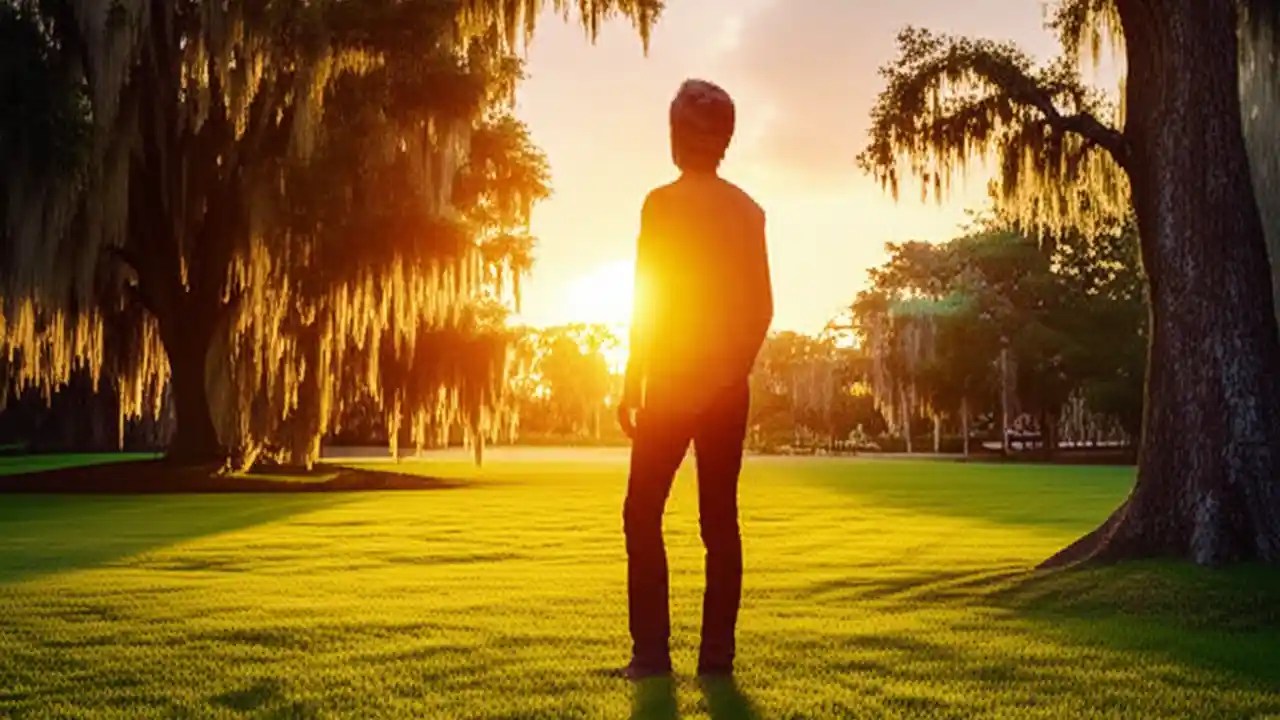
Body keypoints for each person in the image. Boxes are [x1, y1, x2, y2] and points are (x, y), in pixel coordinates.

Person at [617, 78, 773, 680]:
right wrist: (729, 375)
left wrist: (636, 378)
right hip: (724, 389)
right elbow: (760, 309)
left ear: (680, 137)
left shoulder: (661, 204)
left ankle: (651, 655)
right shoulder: (748, 210)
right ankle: (716, 660)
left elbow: (647, 297)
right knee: (718, 522)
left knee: (641, 513)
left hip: (676, 383)